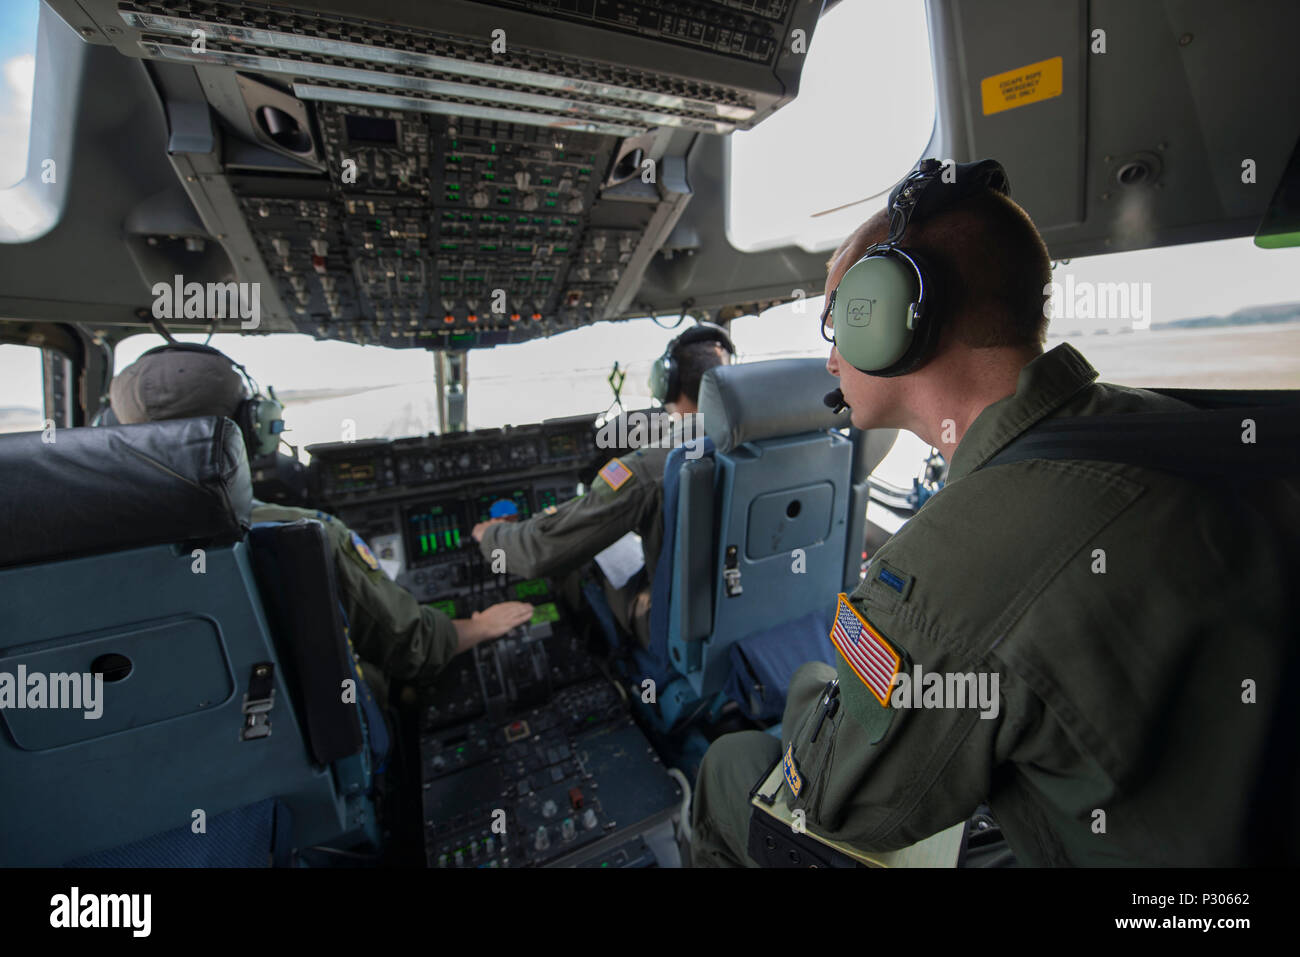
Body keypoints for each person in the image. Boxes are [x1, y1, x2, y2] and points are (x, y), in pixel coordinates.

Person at [691, 159, 1300, 867]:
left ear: (888, 317)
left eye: (837, 321)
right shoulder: (1167, 425)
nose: (830, 360)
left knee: (733, 763)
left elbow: (832, 797)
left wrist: (811, 691)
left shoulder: (957, 562)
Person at [109, 343, 534, 701]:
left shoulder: (83, 545)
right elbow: (411, 647)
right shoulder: (305, 532)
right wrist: (479, 625)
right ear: (250, 427)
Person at [472, 323, 734, 647]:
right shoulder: (763, 441)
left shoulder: (650, 468)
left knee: (585, 560)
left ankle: (606, 667)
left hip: (682, 630)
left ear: (667, 383)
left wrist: (491, 537)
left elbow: (541, 552)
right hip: (746, 610)